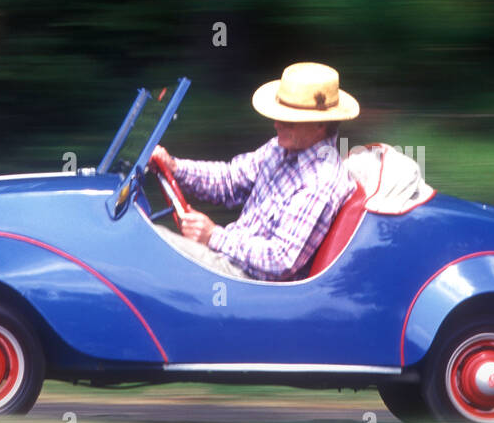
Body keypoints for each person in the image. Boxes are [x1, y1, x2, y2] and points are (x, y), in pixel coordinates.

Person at [149, 62, 359, 281]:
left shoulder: (321, 183)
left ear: (320, 125)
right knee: (145, 235)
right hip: (228, 261)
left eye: (289, 120)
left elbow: (281, 260)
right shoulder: (279, 149)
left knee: (151, 243)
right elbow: (229, 181)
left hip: (248, 284)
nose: (277, 124)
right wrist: (174, 167)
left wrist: (213, 236)